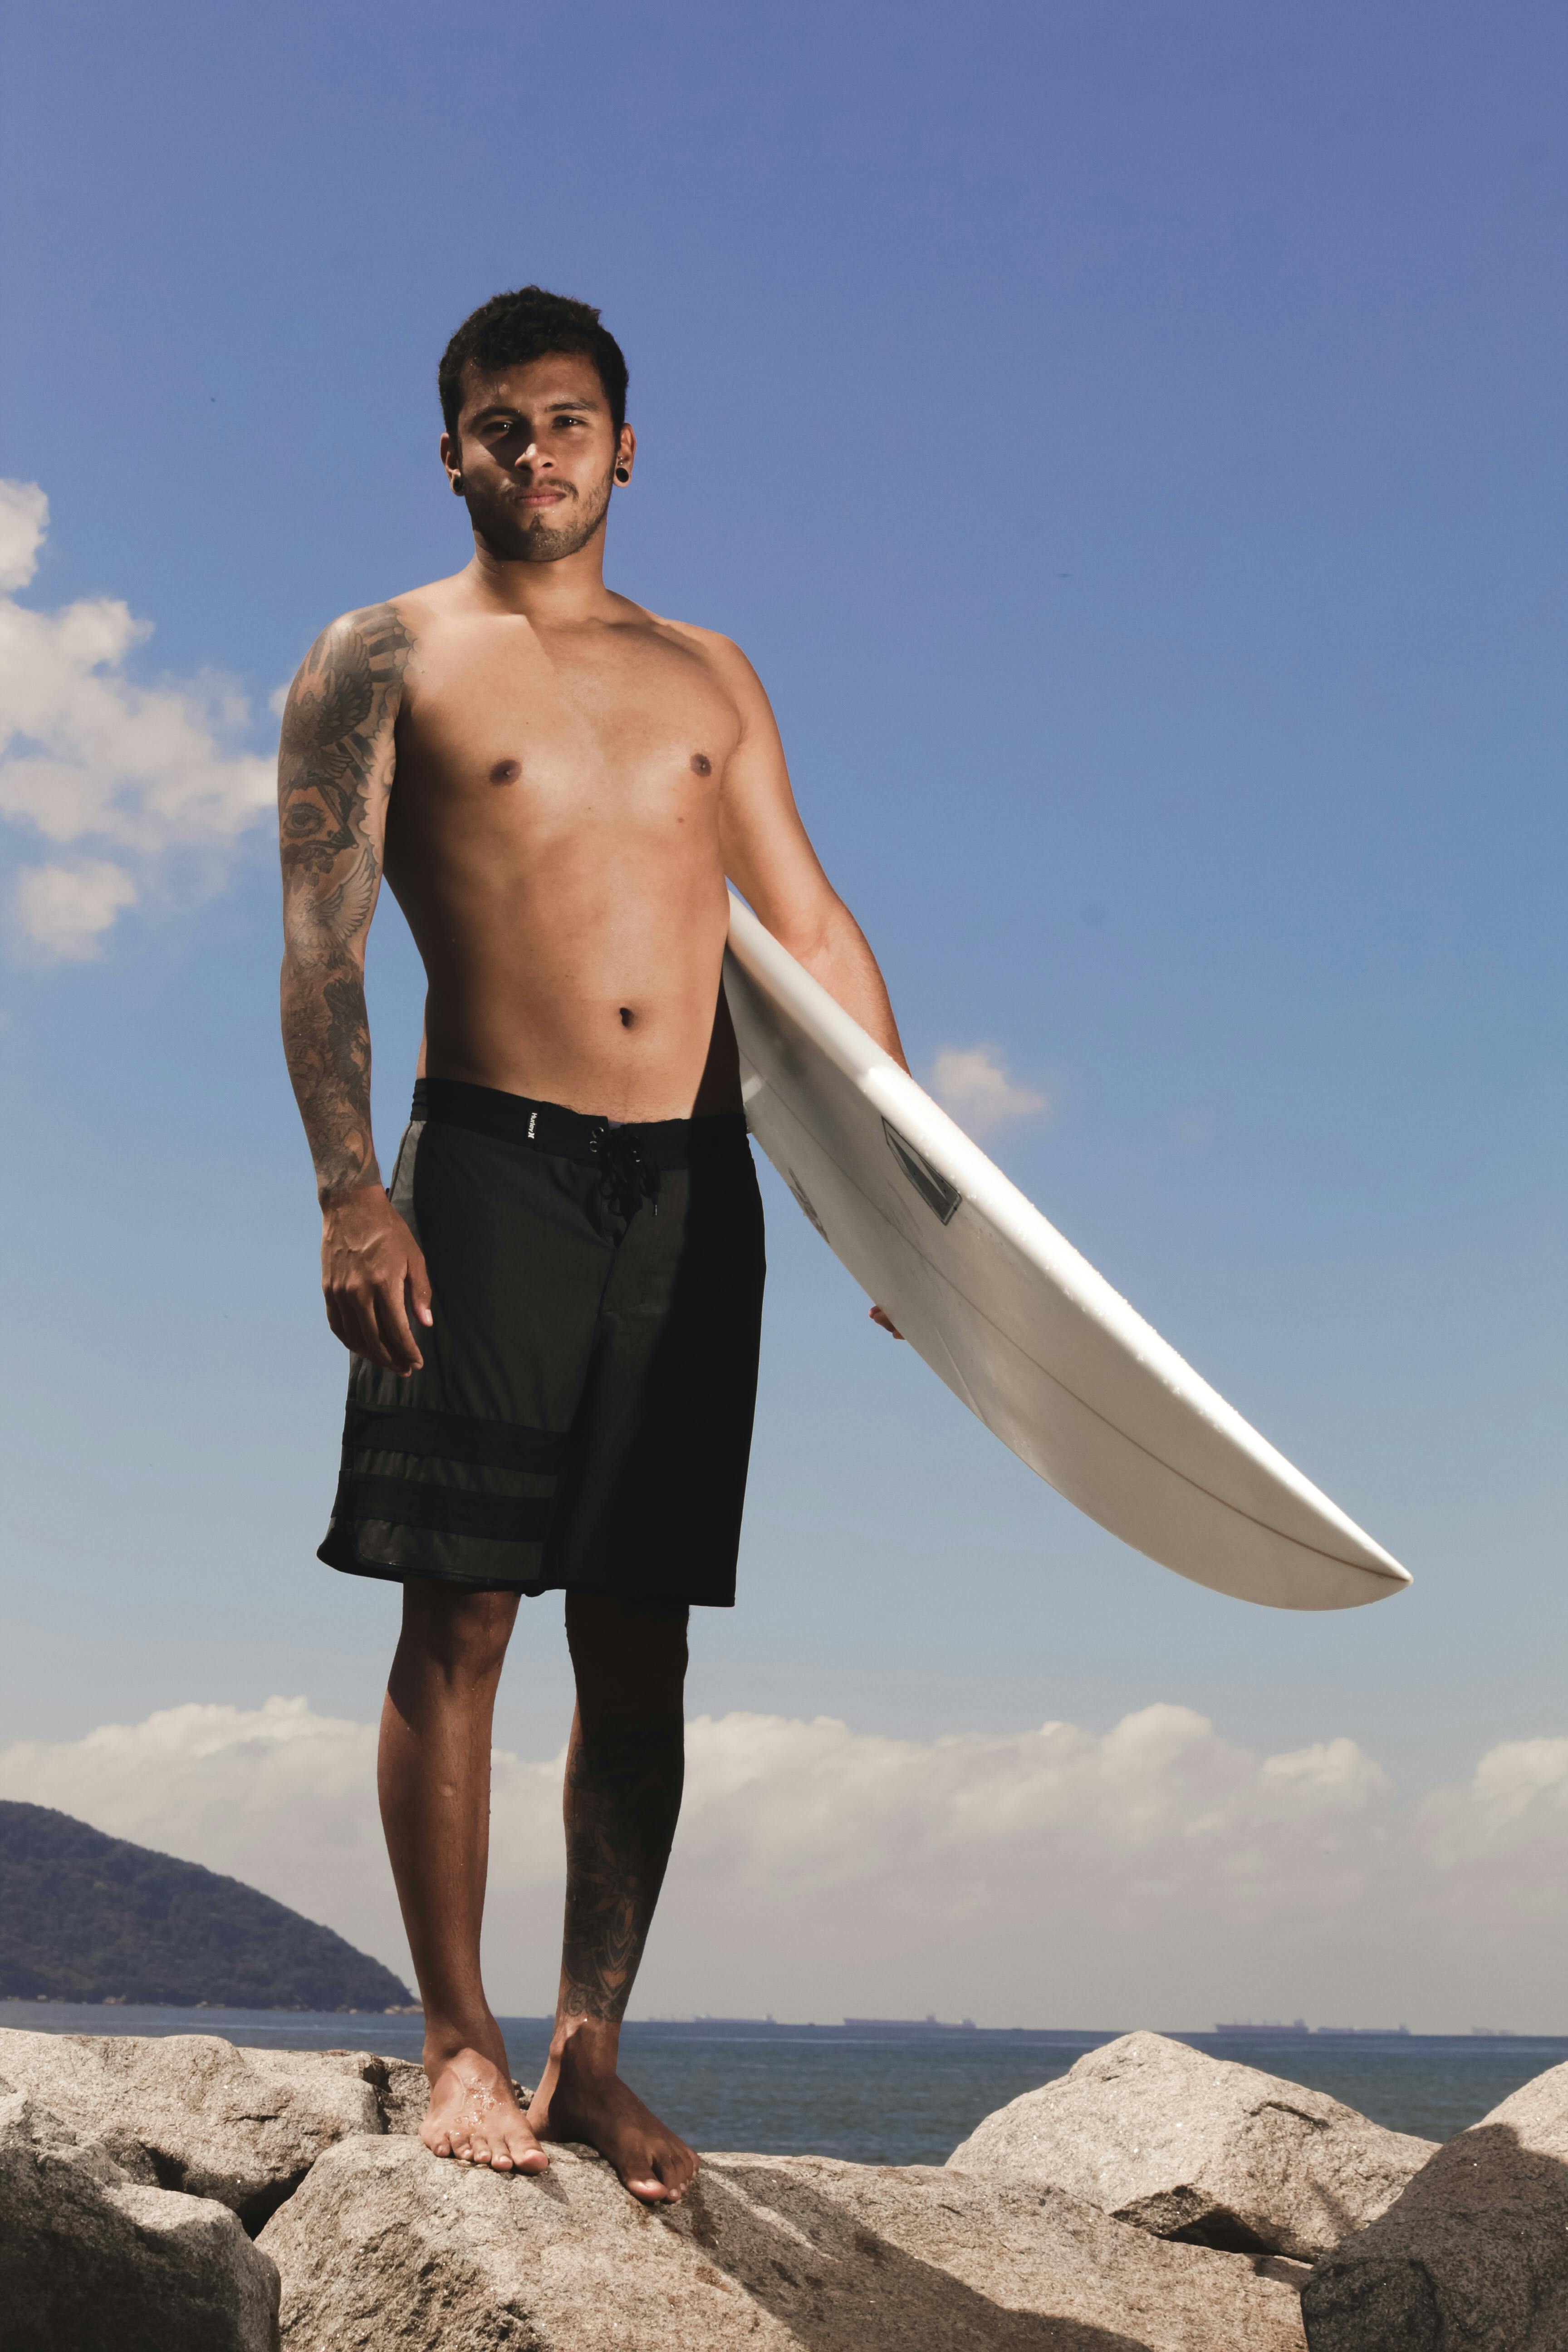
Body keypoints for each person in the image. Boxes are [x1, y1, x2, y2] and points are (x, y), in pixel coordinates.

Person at [277, 285, 906, 2205]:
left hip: (693, 1190)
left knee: (639, 1646)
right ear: (451, 449)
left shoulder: (714, 672)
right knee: (459, 1612)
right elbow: (324, 944)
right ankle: (455, 2036)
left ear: (625, 446)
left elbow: (806, 915)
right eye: (495, 424)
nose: (532, 453)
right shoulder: (380, 656)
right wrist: (346, 1189)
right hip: (482, 1171)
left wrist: (911, 1208)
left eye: (565, 422)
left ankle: (590, 2050)